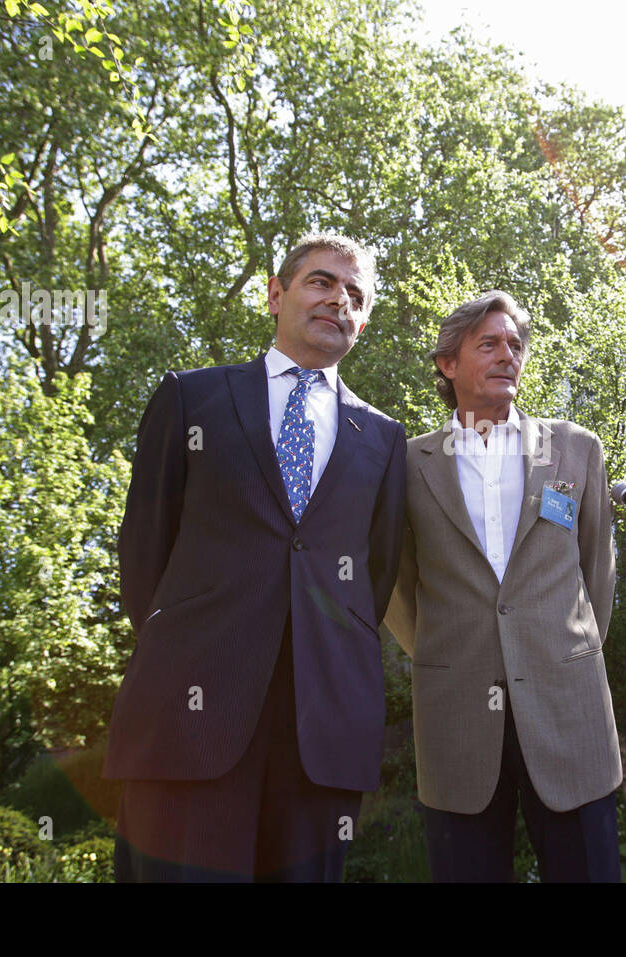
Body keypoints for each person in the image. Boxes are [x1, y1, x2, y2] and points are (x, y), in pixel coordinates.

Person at [103, 233, 407, 882]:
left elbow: (372, 582)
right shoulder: (192, 398)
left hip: (321, 736)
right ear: (276, 293)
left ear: (365, 319)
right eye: (321, 282)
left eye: (355, 294)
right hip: (191, 719)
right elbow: (144, 553)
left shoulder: (384, 439)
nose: (338, 300)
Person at [384, 290, 622, 883]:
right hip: (456, 714)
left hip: (568, 707)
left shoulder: (575, 449)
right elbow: (397, 585)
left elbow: (596, 571)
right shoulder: (408, 466)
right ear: (447, 364)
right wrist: (446, 651)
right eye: (487, 344)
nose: (506, 355)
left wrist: (565, 650)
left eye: (515, 345)